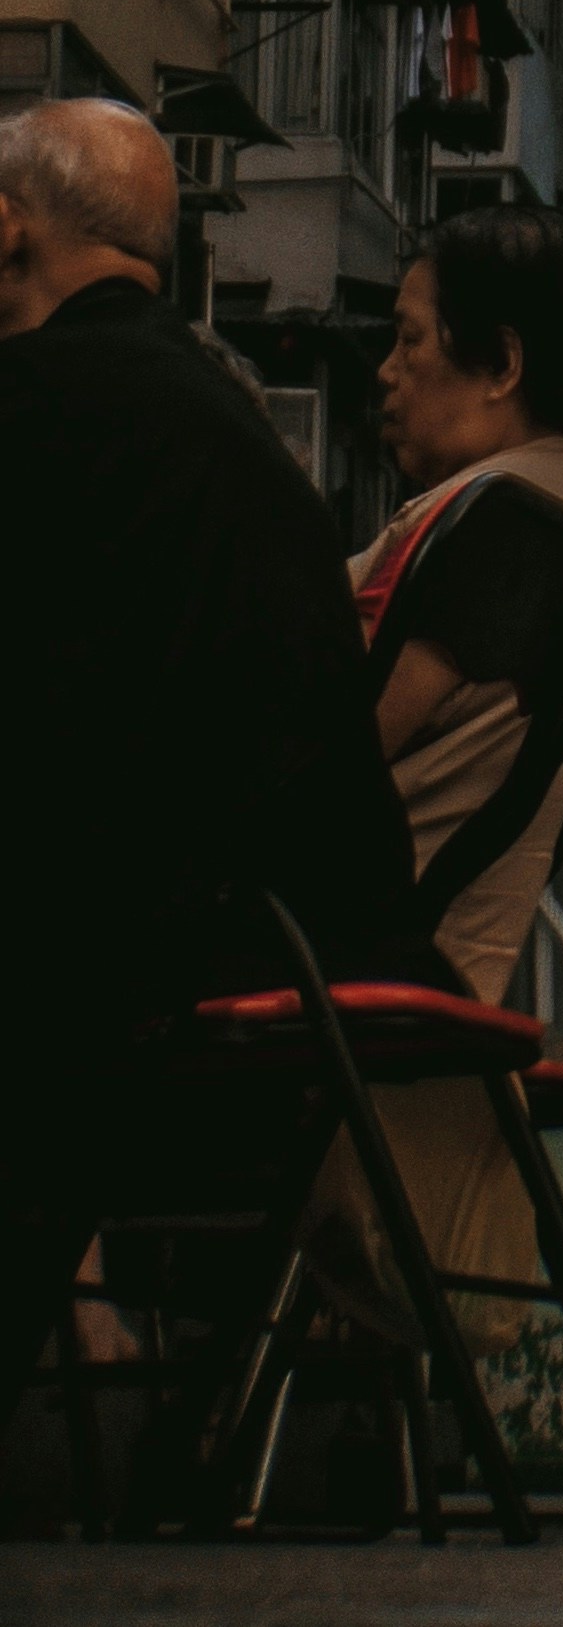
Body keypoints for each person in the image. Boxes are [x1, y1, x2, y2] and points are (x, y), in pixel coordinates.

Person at [0, 100, 429, 1403]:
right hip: (301, 936)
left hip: (121, 961)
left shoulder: (34, 410)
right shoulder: (243, 428)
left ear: (7, 230)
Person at [306, 205, 563, 1349]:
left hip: (343, 945)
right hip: (415, 952)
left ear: (500, 365)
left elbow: (323, 739)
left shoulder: (509, 531)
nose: (386, 374)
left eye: (410, 340)